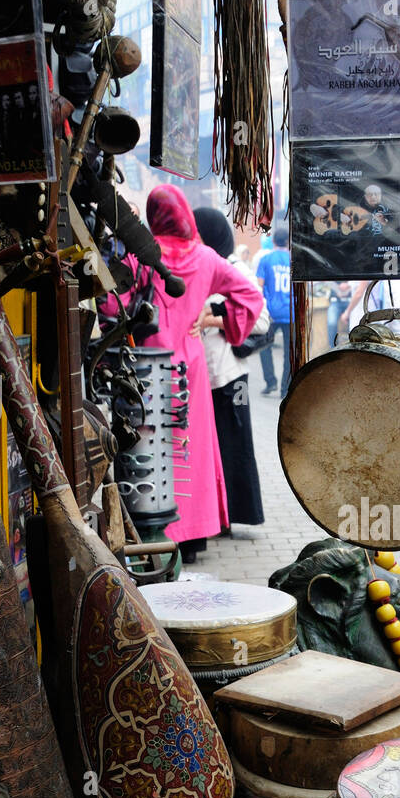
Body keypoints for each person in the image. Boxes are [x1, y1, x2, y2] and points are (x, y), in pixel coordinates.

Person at [144, 184, 264, 562]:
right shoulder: (207, 258)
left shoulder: (141, 257)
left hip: (148, 364)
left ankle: (155, 532)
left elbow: (115, 301)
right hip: (191, 366)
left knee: (152, 445)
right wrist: (219, 320)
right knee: (191, 449)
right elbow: (251, 297)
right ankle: (192, 538)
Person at [192, 207, 265, 534]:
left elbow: (261, 320)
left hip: (230, 374)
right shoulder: (197, 267)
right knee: (207, 451)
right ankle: (212, 517)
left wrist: (214, 318)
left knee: (234, 447)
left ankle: (234, 517)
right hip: (200, 375)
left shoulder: (235, 270)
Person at [254, 226, 293, 397]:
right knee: (289, 353)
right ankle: (285, 390)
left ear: (274, 241)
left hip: (270, 313)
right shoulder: (294, 260)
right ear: (287, 242)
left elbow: (259, 287)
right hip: (290, 312)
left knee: (264, 347)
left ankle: (270, 381)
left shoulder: (266, 259)